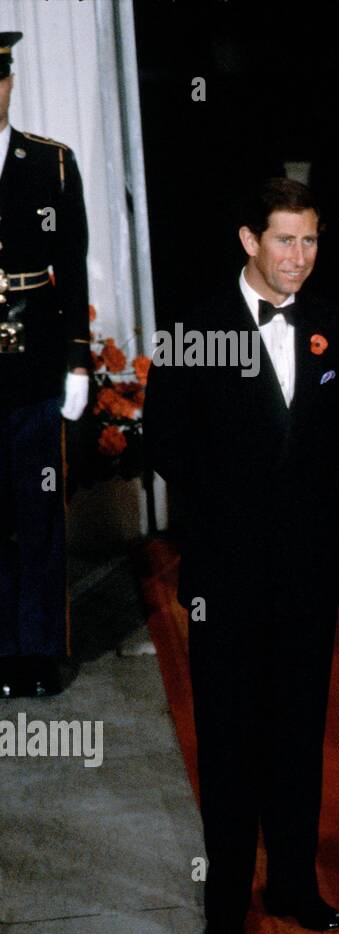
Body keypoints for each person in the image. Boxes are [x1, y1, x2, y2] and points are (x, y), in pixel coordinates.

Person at [145, 178, 339, 934]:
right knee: (230, 739)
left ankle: (295, 883)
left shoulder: (334, 323)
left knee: (299, 733)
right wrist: (235, 498)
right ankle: (226, 902)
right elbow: (162, 440)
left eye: (310, 241)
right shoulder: (197, 326)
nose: (298, 257)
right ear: (248, 240)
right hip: (226, 576)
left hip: (310, 574)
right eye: (284, 240)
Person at [0, 31, 92, 699]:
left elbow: (74, 269)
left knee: (38, 512)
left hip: (34, 363)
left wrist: (80, 363)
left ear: (9, 83)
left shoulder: (51, 165)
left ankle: (38, 651)